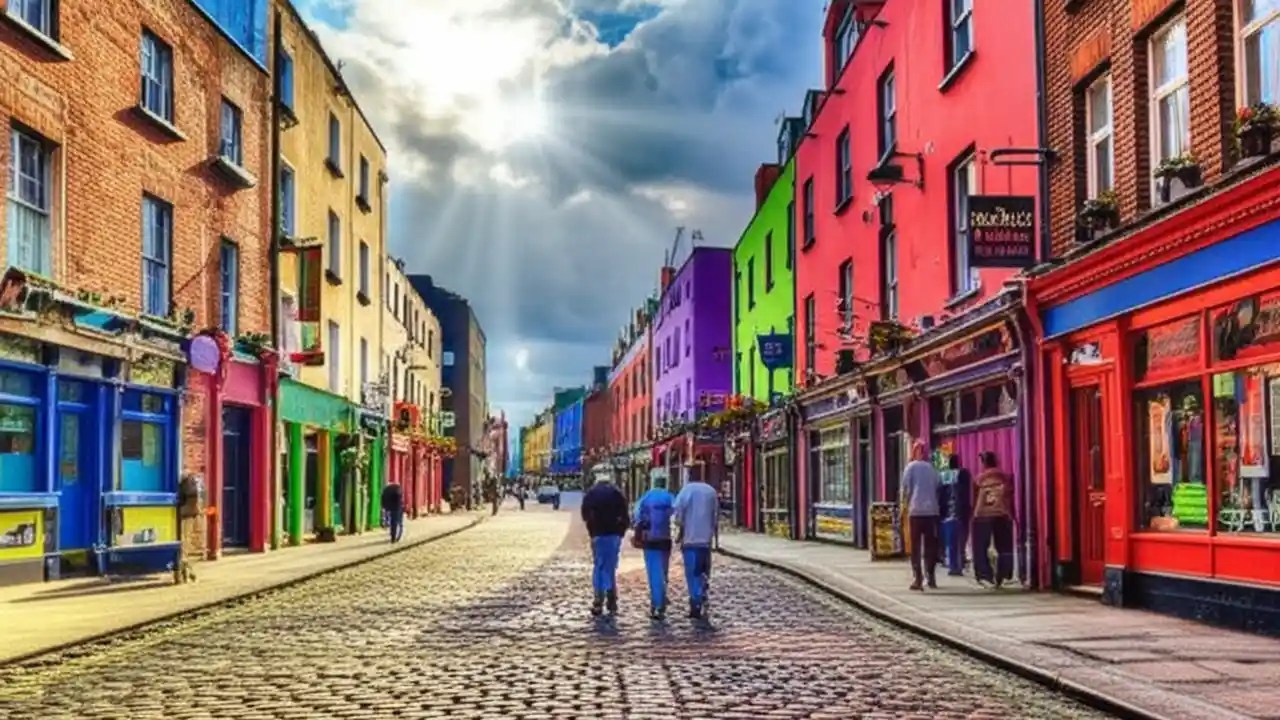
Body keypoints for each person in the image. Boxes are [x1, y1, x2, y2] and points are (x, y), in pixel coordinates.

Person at [581, 471, 630, 616]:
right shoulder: (617, 493)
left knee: (599, 566)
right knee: (610, 566)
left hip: (598, 535)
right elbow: (625, 515)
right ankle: (611, 598)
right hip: (614, 535)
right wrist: (620, 532)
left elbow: (585, 514)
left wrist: (592, 529)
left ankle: (598, 599)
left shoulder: (591, 494)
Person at [673, 465, 719, 619]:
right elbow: (716, 515)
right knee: (704, 570)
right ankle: (703, 592)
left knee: (692, 573)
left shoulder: (686, 491)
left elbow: (678, 513)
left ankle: (696, 601)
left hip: (690, 540)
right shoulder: (711, 491)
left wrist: (680, 528)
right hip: (705, 540)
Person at [632, 473, 676, 620]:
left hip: (650, 539)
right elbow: (675, 515)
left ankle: (657, 602)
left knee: (653, 572)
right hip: (665, 538)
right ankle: (661, 596)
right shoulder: (670, 497)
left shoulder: (646, 497)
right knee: (663, 570)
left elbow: (637, 515)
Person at [901, 440, 942, 591]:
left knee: (915, 546)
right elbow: (938, 486)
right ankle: (931, 576)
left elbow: (906, 489)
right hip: (932, 511)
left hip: (915, 511)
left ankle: (918, 578)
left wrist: (904, 507)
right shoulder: (932, 469)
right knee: (931, 545)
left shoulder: (910, 467)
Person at [971, 450, 1016, 588]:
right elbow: (1010, 495)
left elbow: (974, 498)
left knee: (980, 547)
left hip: (982, 514)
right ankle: (1005, 574)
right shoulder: (1005, 477)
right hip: (1002, 513)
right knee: (1005, 546)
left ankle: (984, 575)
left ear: (983, 463)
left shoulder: (979, 479)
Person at [940, 453, 972, 577]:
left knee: (950, 541)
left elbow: (941, 495)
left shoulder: (943, 476)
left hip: (947, 513)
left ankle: (954, 566)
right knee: (962, 539)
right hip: (962, 512)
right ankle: (960, 561)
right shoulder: (964, 474)